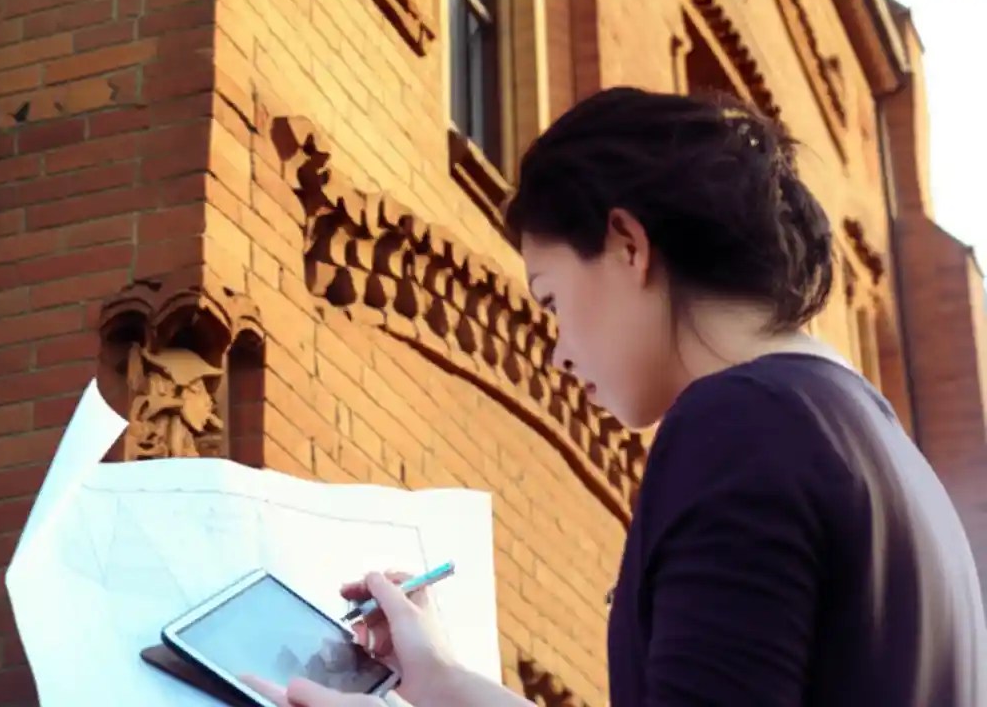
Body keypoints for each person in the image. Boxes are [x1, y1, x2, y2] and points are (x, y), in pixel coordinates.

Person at [252, 87, 987, 707]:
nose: (559, 351)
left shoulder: (740, 426)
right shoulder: (877, 448)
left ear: (628, 245)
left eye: (551, 300)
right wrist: (441, 680)